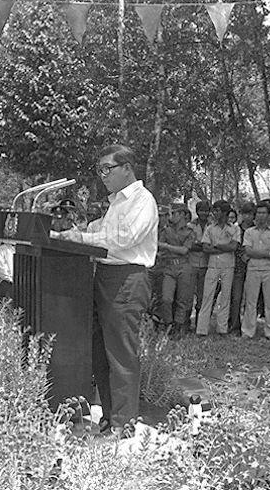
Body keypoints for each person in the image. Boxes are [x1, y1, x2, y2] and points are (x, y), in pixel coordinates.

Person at [57, 144, 158, 435]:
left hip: (126, 280)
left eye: (107, 169)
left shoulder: (142, 200)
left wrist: (85, 238)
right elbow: (98, 229)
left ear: (127, 168)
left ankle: (124, 425)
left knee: (122, 354)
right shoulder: (117, 202)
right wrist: (70, 235)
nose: (103, 176)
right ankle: (111, 417)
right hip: (104, 276)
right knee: (101, 352)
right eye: (99, 170)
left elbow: (124, 238)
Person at [196, 200, 240, 336]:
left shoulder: (234, 228)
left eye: (218, 210)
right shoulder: (210, 228)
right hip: (213, 265)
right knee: (207, 296)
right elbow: (205, 248)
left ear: (225, 212)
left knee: (225, 297)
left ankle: (222, 328)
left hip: (228, 266)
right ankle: (202, 329)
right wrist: (224, 247)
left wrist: (217, 246)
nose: (215, 213)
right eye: (214, 210)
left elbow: (234, 247)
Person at [241, 202, 270, 340]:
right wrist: (267, 253)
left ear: (269, 215)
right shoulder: (249, 232)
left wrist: (257, 253)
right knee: (251, 301)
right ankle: (248, 331)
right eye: (258, 213)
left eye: (264, 213)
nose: (260, 215)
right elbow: (247, 251)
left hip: (269, 270)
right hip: (253, 269)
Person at [157, 204, 195, 335]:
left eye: (175, 213)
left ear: (183, 215)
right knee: (166, 298)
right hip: (169, 266)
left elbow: (184, 250)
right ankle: (168, 323)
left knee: (182, 299)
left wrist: (167, 246)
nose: (172, 216)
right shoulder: (166, 231)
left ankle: (178, 326)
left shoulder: (189, 232)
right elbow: (159, 247)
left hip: (184, 266)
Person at [229, 201, 255, 333]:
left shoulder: (257, 229)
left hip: (253, 267)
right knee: (236, 297)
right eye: (245, 214)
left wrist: (250, 256)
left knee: (251, 298)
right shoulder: (235, 228)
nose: (247, 217)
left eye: (250, 214)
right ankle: (234, 325)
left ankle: (248, 326)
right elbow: (234, 246)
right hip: (238, 267)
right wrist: (242, 255)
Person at [188, 201, 211, 324]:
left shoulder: (212, 226)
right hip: (191, 264)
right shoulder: (190, 226)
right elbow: (189, 245)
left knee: (203, 296)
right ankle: (186, 323)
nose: (204, 213)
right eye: (201, 210)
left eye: (206, 210)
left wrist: (200, 245)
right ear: (197, 211)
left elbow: (212, 244)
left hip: (206, 265)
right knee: (188, 295)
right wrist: (204, 246)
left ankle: (199, 323)